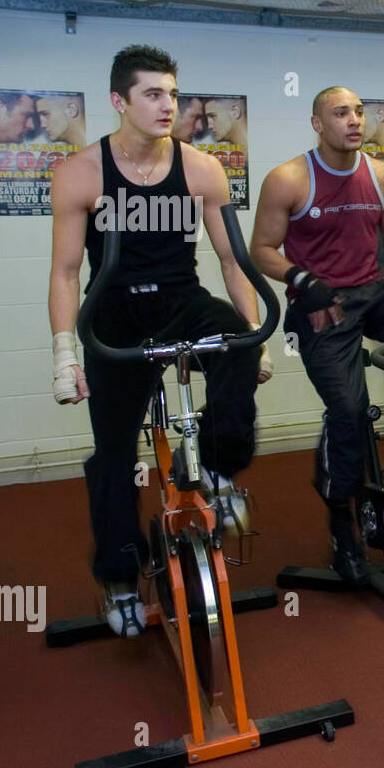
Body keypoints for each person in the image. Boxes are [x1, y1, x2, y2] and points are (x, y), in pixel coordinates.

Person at [47, 45, 271, 637]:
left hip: (179, 301)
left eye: (172, 93)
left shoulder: (201, 169)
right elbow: (66, 272)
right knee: (115, 456)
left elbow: (230, 260)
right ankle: (120, 578)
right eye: (152, 94)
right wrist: (65, 353)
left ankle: (220, 473)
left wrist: (253, 336)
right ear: (119, 101)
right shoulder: (80, 174)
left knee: (240, 345)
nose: (167, 105)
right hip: (112, 315)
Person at [250, 85, 384, 586]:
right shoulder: (288, 179)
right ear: (318, 123)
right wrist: (301, 280)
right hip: (323, 306)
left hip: (375, 291)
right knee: (348, 412)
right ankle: (343, 529)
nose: (354, 120)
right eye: (341, 112)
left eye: (359, 112)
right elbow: (261, 249)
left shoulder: (380, 174)